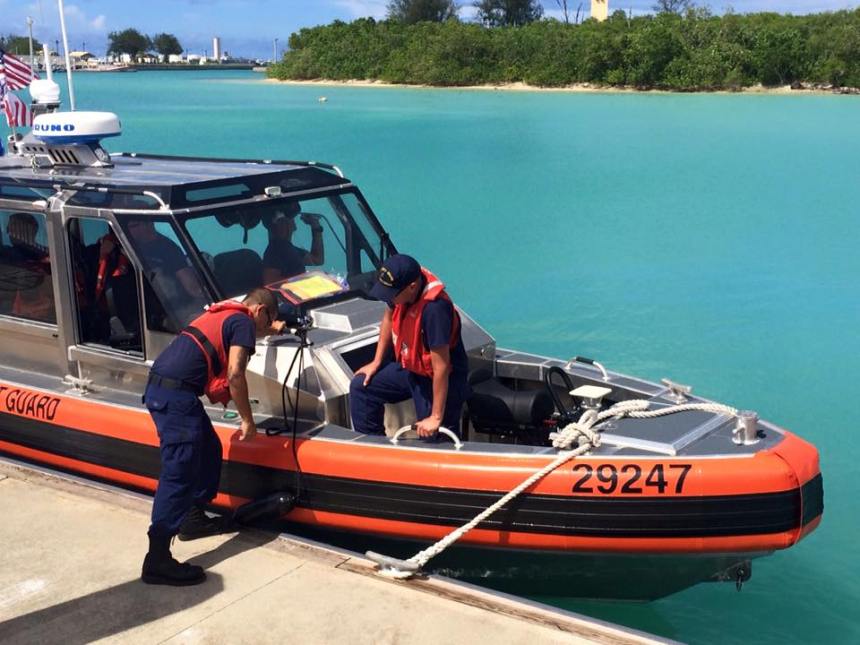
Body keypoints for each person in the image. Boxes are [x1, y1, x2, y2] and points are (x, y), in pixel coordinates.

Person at [141, 287, 285, 586]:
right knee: (179, 472)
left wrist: (269, 331)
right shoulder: (243, 322)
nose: (263, 329)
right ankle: (157, 559)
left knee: (208, 449)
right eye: (267, 320)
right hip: (175, 397)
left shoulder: (226, 315)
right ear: (260, 311)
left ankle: (192, 519)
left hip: (170, 391)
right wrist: (248, 420)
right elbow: (235, 373)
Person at [350, 254, 469, 439]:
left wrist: (436, 417)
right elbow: (389, 317)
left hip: (441, 379)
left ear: (412, 287)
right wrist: (377, 361)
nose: (389, 298)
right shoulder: (399, 291)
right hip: (412, 369)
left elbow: (441, 367)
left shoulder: (434, 310)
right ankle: (376, 449)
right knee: (361, 387)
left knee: (433, 435)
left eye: (391, 294)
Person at [0, 213, 55, 322]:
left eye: (12, 228)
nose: (7, 231)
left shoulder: (48, 261)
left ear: (29, 231)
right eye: (9, 228)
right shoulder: (49, 255)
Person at [262, 202, 325, 284]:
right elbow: (270, 281)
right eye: (292, 219)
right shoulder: (275, 250)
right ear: (279, 222)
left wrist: (315, 226)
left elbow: (317, 260)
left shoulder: (288, 249)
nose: (294, 224)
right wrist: (305, 282)